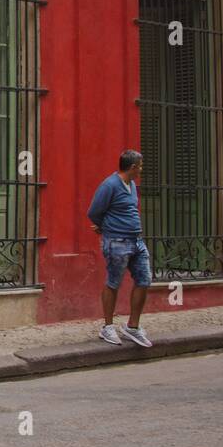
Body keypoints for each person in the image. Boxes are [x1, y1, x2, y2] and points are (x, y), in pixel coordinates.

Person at [87, 149, 152, 347]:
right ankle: (107, 327)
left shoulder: (131, 184)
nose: (141, 169)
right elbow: (94, 212)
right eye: (140, 166)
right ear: (132, 167)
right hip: (117, 242)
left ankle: (132, 326)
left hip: (136, 241)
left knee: (144, 279)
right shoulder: (110, 185)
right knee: (113, 282)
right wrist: (105, 227)